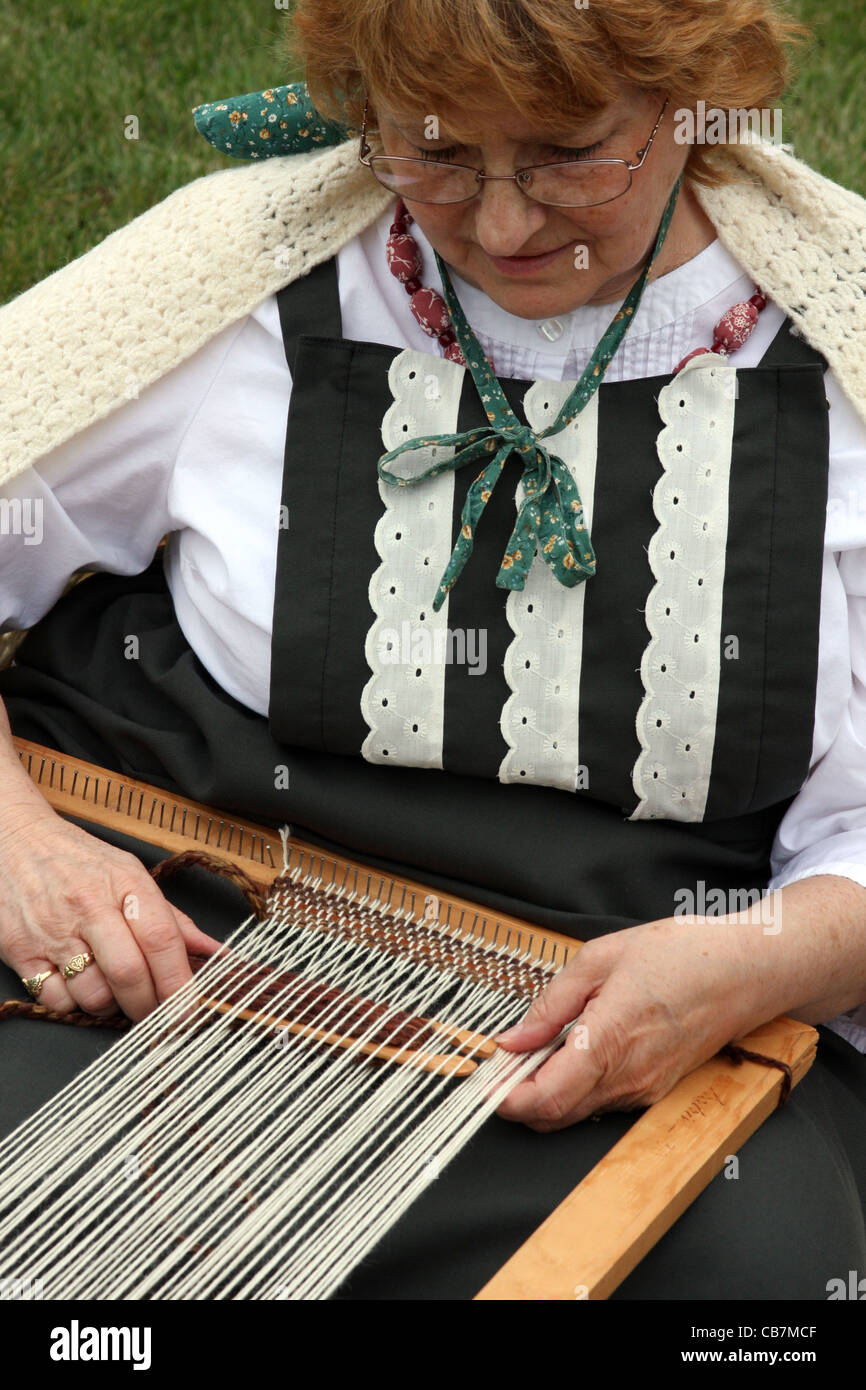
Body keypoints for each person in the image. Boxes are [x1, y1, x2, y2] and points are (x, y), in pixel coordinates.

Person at [0, 0, 864, 1299]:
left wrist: (749, 961)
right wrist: (20, 845)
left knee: (762, 1283)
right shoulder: (229, 285)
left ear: (696, 98)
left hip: (618, 1021)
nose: (505, 223)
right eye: (437, 151)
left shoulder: (836, 353)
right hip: (166, 938)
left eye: (573, 151)